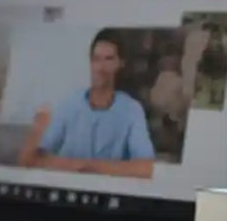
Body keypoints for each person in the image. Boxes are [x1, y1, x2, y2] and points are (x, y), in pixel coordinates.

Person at [21, 29, 156, 178]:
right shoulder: (70, 103)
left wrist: (85, 166)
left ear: (120, 63)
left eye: (108, 59)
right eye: (96, 59)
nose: (101, 67)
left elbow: (145, 168)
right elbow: (34, 160)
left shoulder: (131, 109)